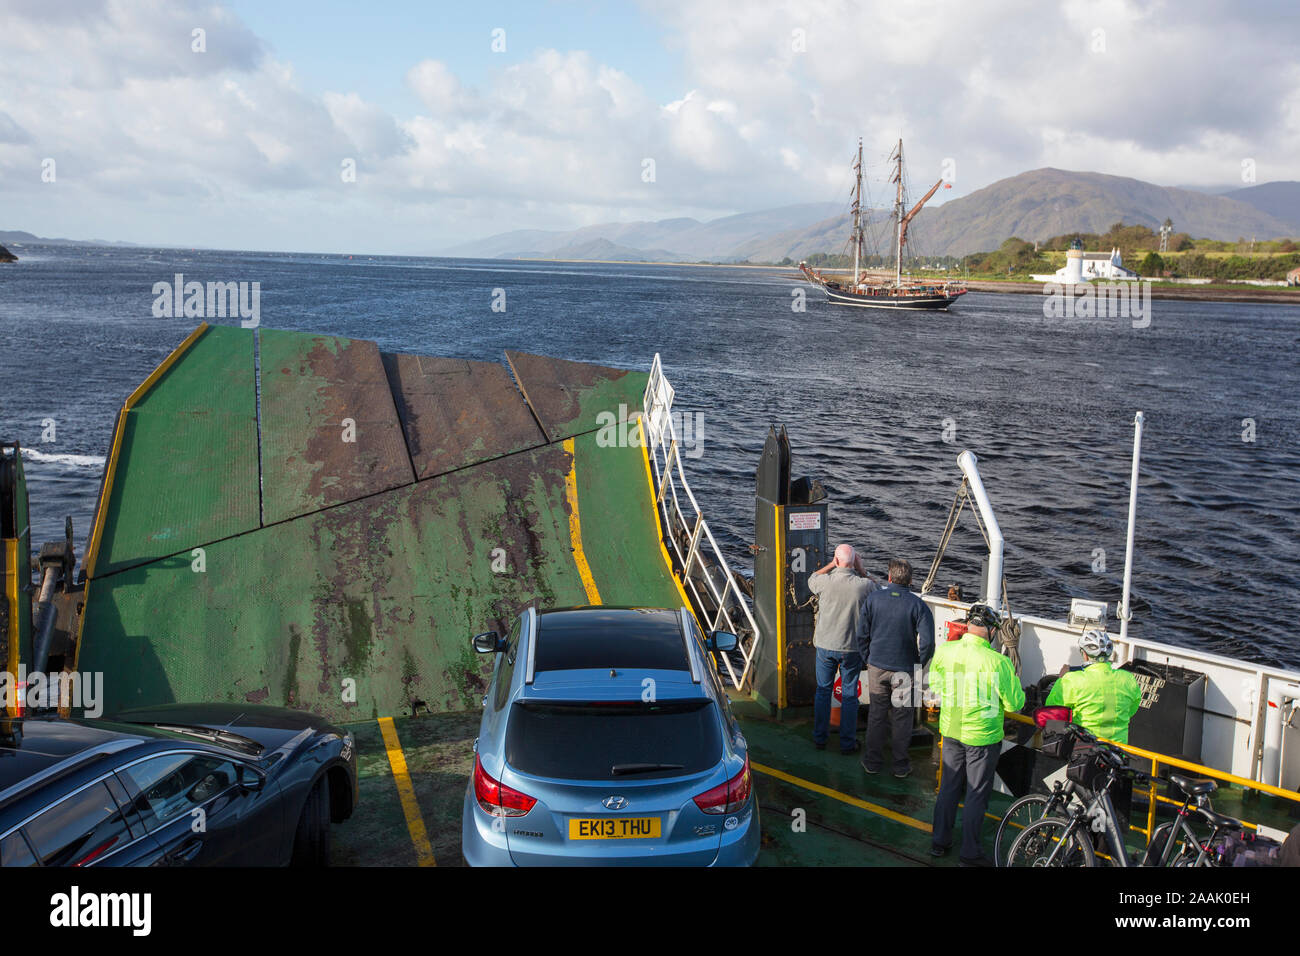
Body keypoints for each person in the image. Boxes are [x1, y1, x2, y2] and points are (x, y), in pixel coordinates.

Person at [929, 603, 1025, 866]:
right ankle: (970, 853)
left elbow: (935, 684)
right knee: (975, 794)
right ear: (992, 631)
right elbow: (1014, 704)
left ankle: (939, 842)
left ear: (968, 625)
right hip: (982, 738)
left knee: (948, 787)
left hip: (950, 730)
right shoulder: (999, 662)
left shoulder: (946, 651)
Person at [861, 558, 935, 777]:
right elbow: (928, 642)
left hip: (877, 666)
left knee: (877, 715)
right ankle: (900, 766)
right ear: (910, 581)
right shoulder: (918, 605)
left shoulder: (873, 599)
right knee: (903, 718)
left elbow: (861, 633)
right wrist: (918, 664)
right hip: (905, 670)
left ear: (890, 577)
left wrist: (868, 658)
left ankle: (872, 762)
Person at [807, 543, 878, 754]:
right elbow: (878, 588)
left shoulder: (825, 582)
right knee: (849, 695)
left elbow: (811, 578)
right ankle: (847, 743)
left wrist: (831, 564)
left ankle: (820, 739)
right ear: (854, 561)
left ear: (837, 561)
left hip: (826, 646)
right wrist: (862, 569)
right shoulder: (863, 585)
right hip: (851, 649)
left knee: (823, 691)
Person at [1045, 629, 1141, 743]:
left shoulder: (1072, 680)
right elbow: (1131, 710)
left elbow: (1051, 709)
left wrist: (1061, 678)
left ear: (1084, 655)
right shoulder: (1128, 679)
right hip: (1118, 753)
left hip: (1083, 751)